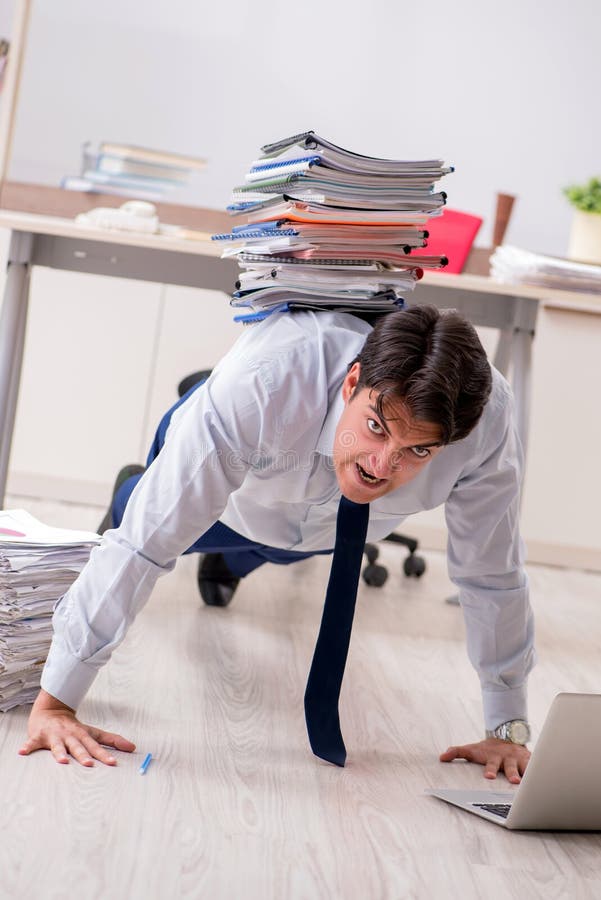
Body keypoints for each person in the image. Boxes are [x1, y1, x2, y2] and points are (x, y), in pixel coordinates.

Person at [20, 305, 534, 781]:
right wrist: (56, 703)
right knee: (152, 515)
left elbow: (491, 572)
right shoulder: (266, 382)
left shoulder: (485, 427)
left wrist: (506, 728)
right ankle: (140, 485)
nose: (383, 464)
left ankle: (234, 559)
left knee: (285, 547)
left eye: (418, 450)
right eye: (376, 428)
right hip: (238, 486)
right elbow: (142, 546)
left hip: (322, 530)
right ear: (352, 382)